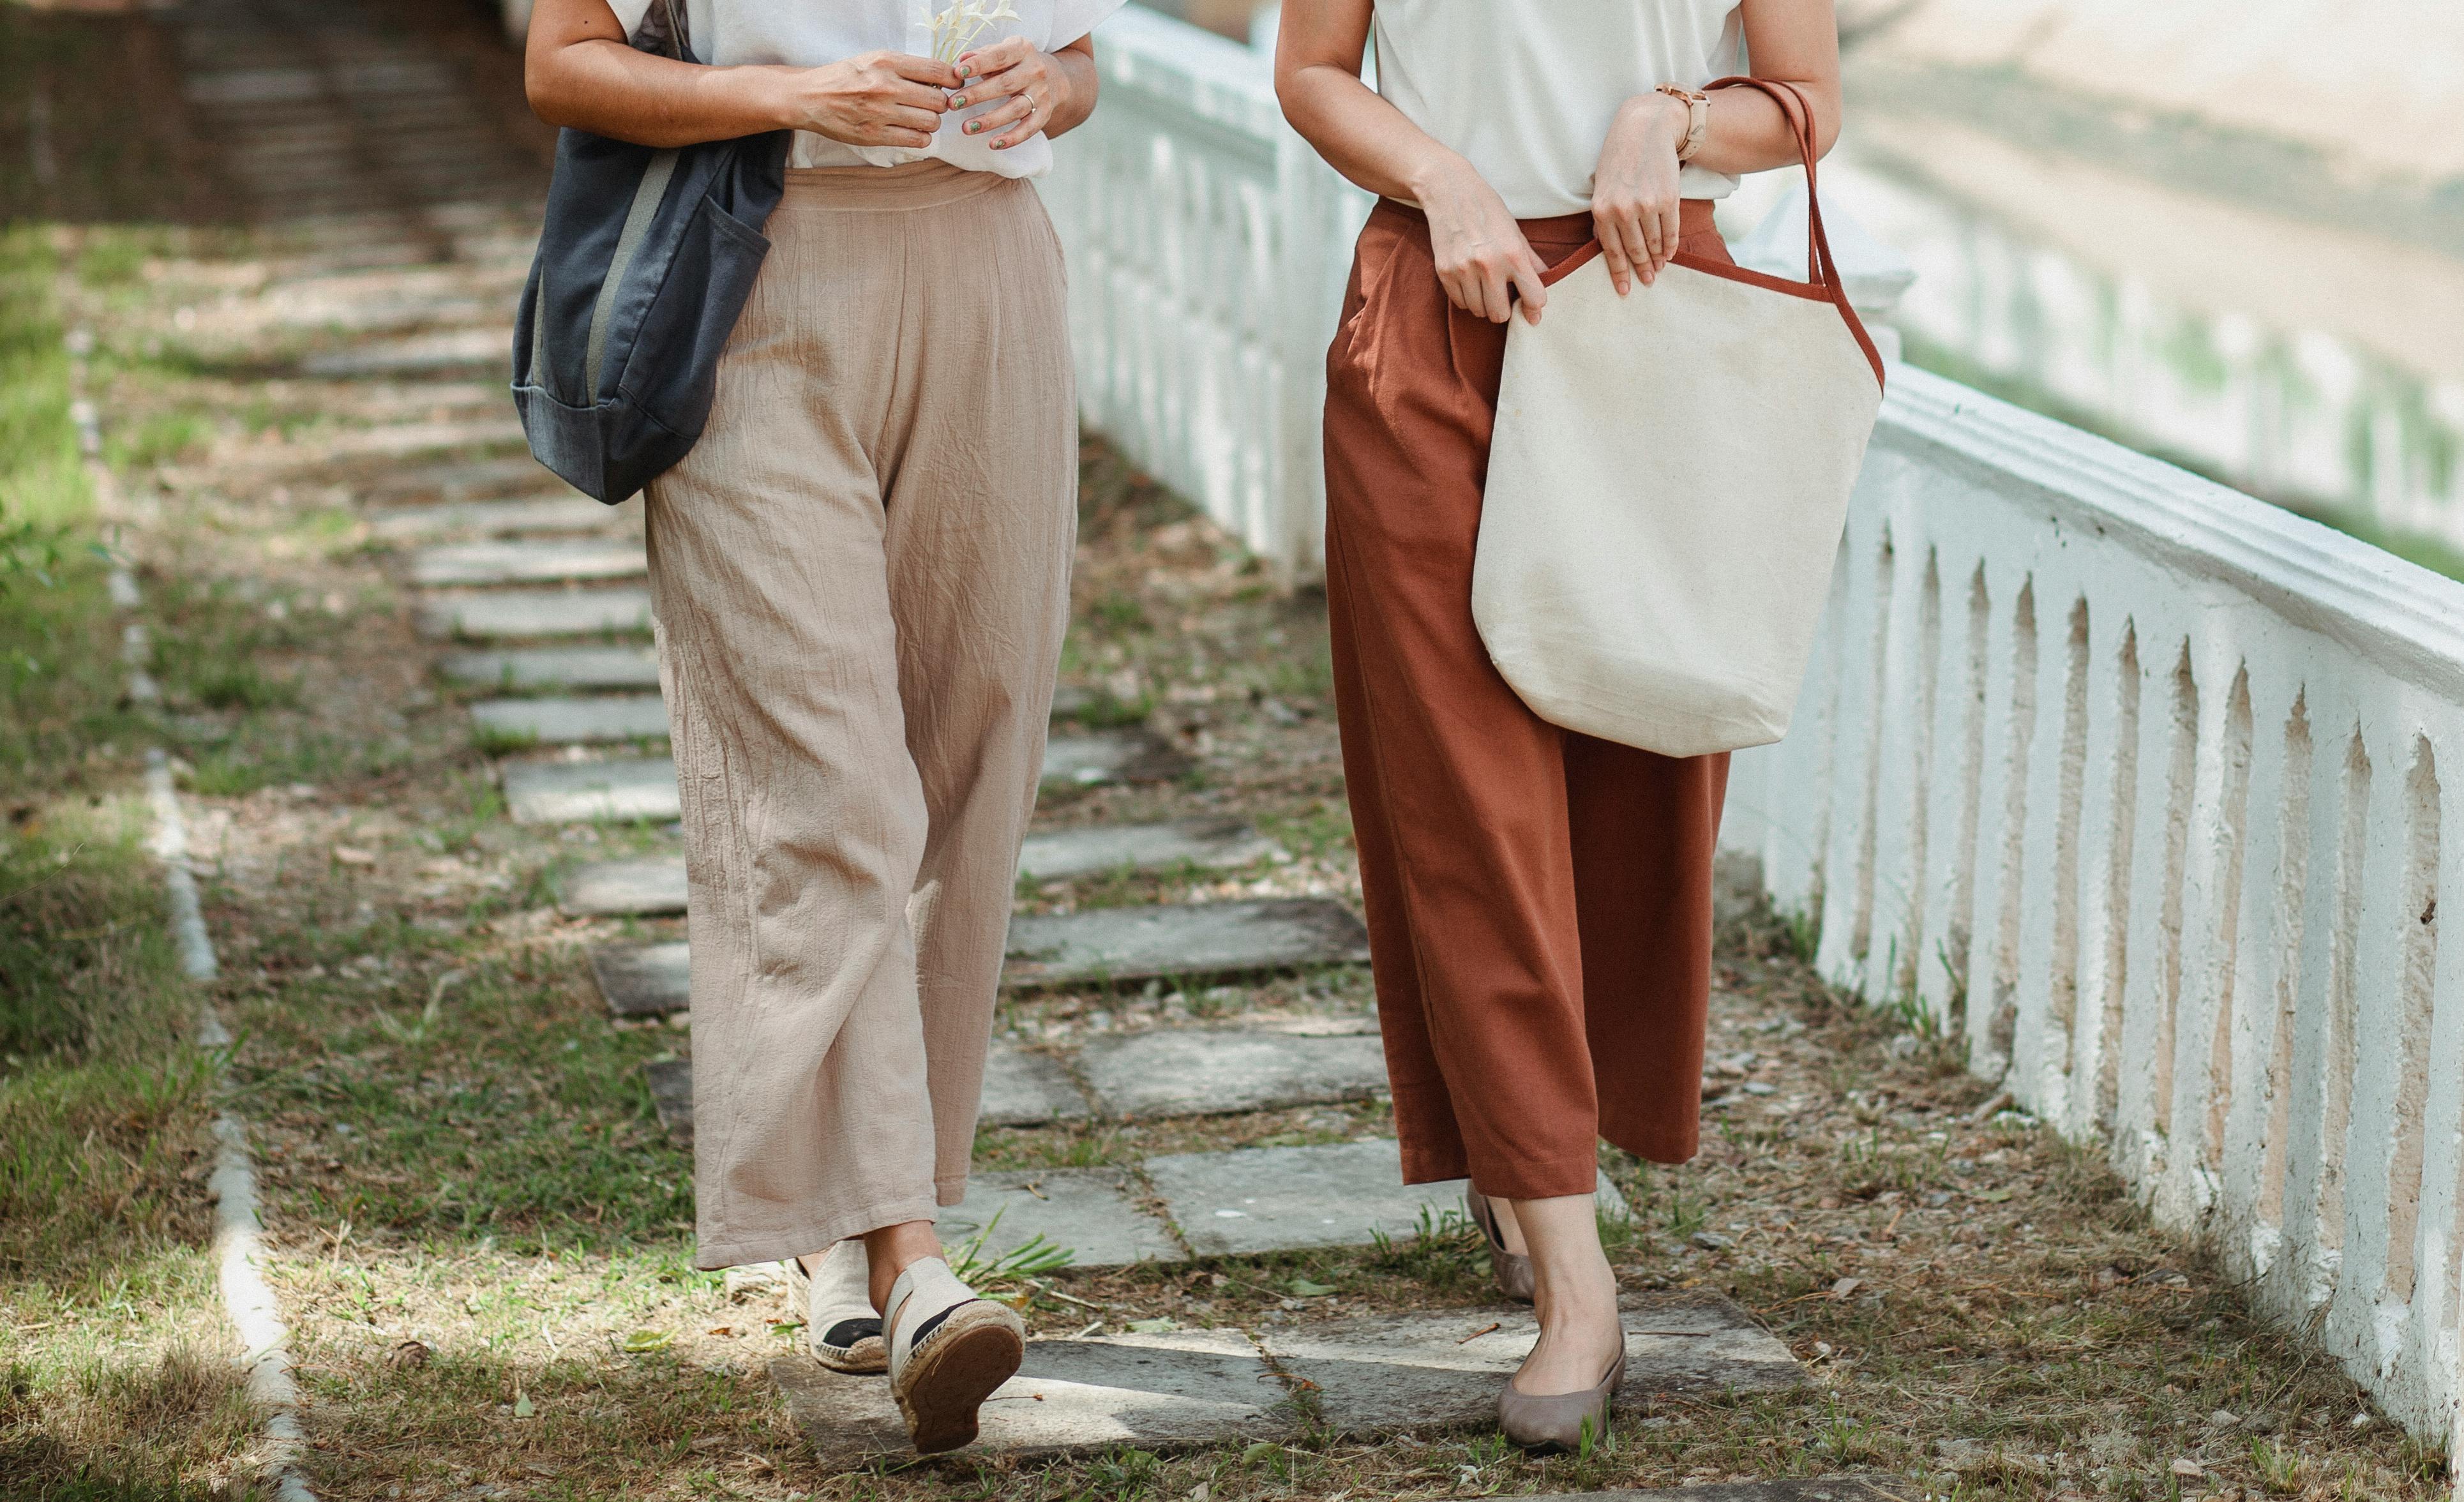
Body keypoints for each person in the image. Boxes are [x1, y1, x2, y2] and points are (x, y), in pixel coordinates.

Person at [525, 0, 1122, 1455]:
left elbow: (1087, 61)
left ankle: (843, 1225)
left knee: (969, 761)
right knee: (830, 788)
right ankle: (909, 1257)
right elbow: (565, 61)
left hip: (990, 270)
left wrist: (1050, 83)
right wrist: (799, 90)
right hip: (760, 268)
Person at [1274, 0, 1844, 1452]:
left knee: (1636, 782)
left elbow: (1803, 101)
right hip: (1431, 308)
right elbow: (1312, 75)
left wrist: (1666, 118)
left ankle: (1530, 1156)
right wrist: (1439, 175)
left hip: (1651, 301)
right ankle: (1575, 1285)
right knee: (1464, 800)